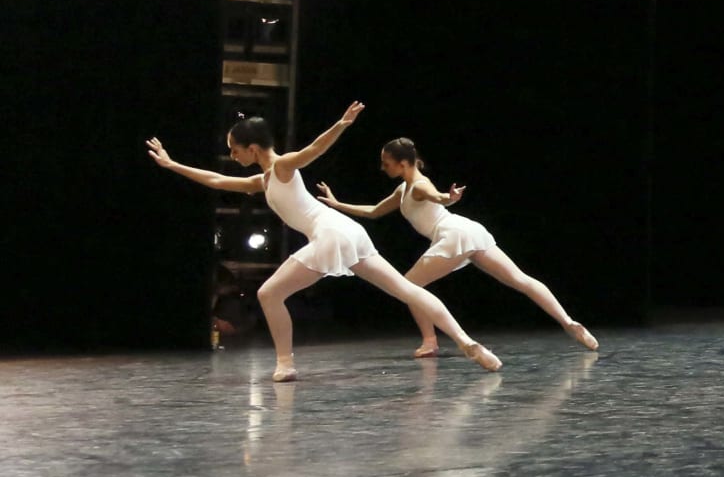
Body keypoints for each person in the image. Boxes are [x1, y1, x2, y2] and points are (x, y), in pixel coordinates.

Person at [146, 104, 498, 381]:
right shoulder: (264, 179)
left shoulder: (282, 167)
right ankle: (467, 341)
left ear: (252, 147)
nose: (233, 156)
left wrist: (342, 124)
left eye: (234, 149)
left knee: (269, 294)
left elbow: (313, 149)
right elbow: (217, 180)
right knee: (406, 291)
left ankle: (285, 364)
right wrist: (172, 164)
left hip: (329, 234)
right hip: (348, 233)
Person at [318, 137, 599, 353]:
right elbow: (374, 211)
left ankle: (430, 340)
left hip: (452, 234)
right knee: (519, 279)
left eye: (386, 163)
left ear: (403, 163)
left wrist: (447, 197)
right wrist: (336, 203)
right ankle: (569, 322)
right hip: (468, 231)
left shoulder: (418, 184)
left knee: (409, 287)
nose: (383, 167)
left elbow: (435, 196)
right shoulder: (403, 188)